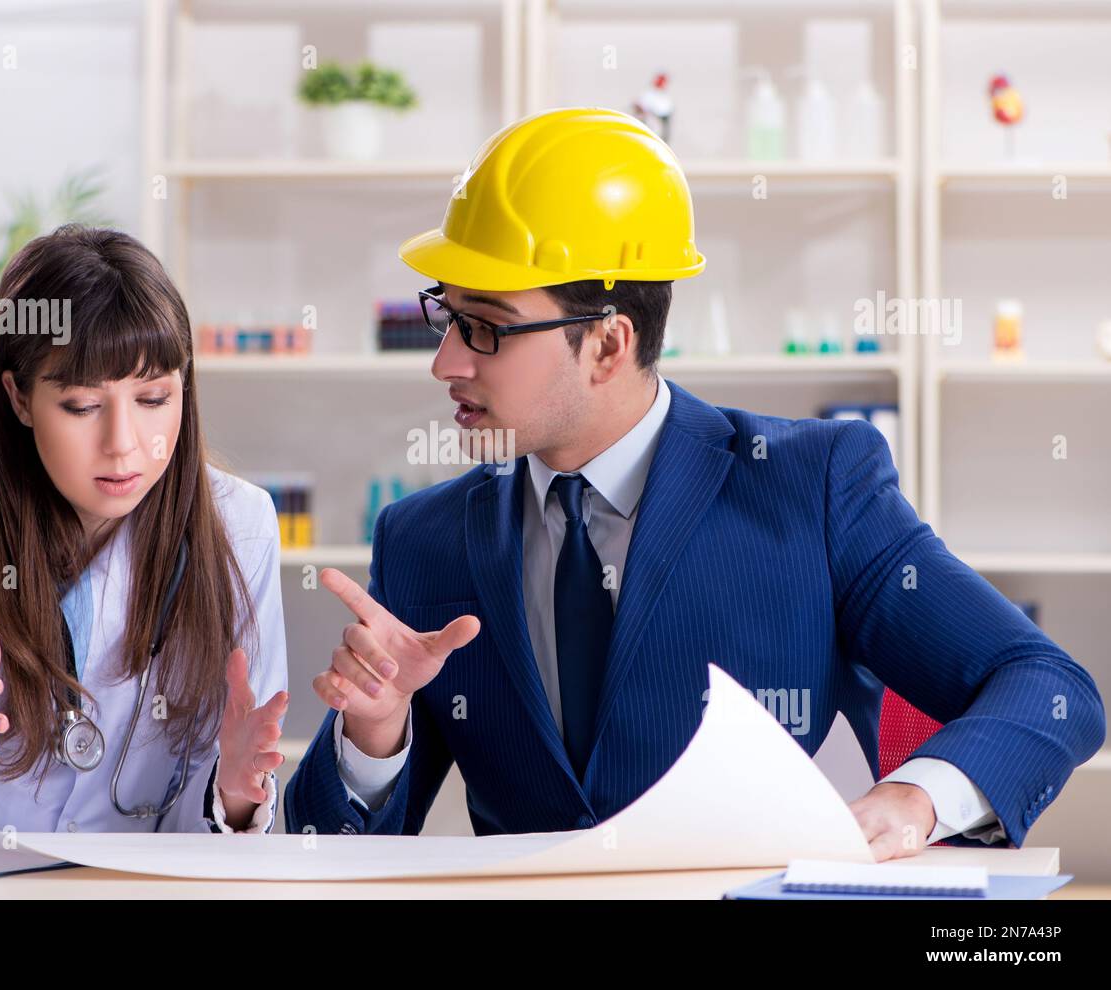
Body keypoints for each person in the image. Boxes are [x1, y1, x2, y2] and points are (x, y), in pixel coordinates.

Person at [284, 107, 1106, 859]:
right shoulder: (422, 539)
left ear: (608, 344)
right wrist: (373, 731)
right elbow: (331, 848)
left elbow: (1049, 687)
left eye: (485, 328)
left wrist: (915, 797)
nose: (446, 362)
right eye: (446, 313)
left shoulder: (810, 486)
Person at [0, 225, 289, 835]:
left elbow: (211, 818)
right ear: (19, 398)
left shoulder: (240, 522)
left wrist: (232, 792)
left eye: (153, 399)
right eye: (82, 406)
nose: (124, 445)